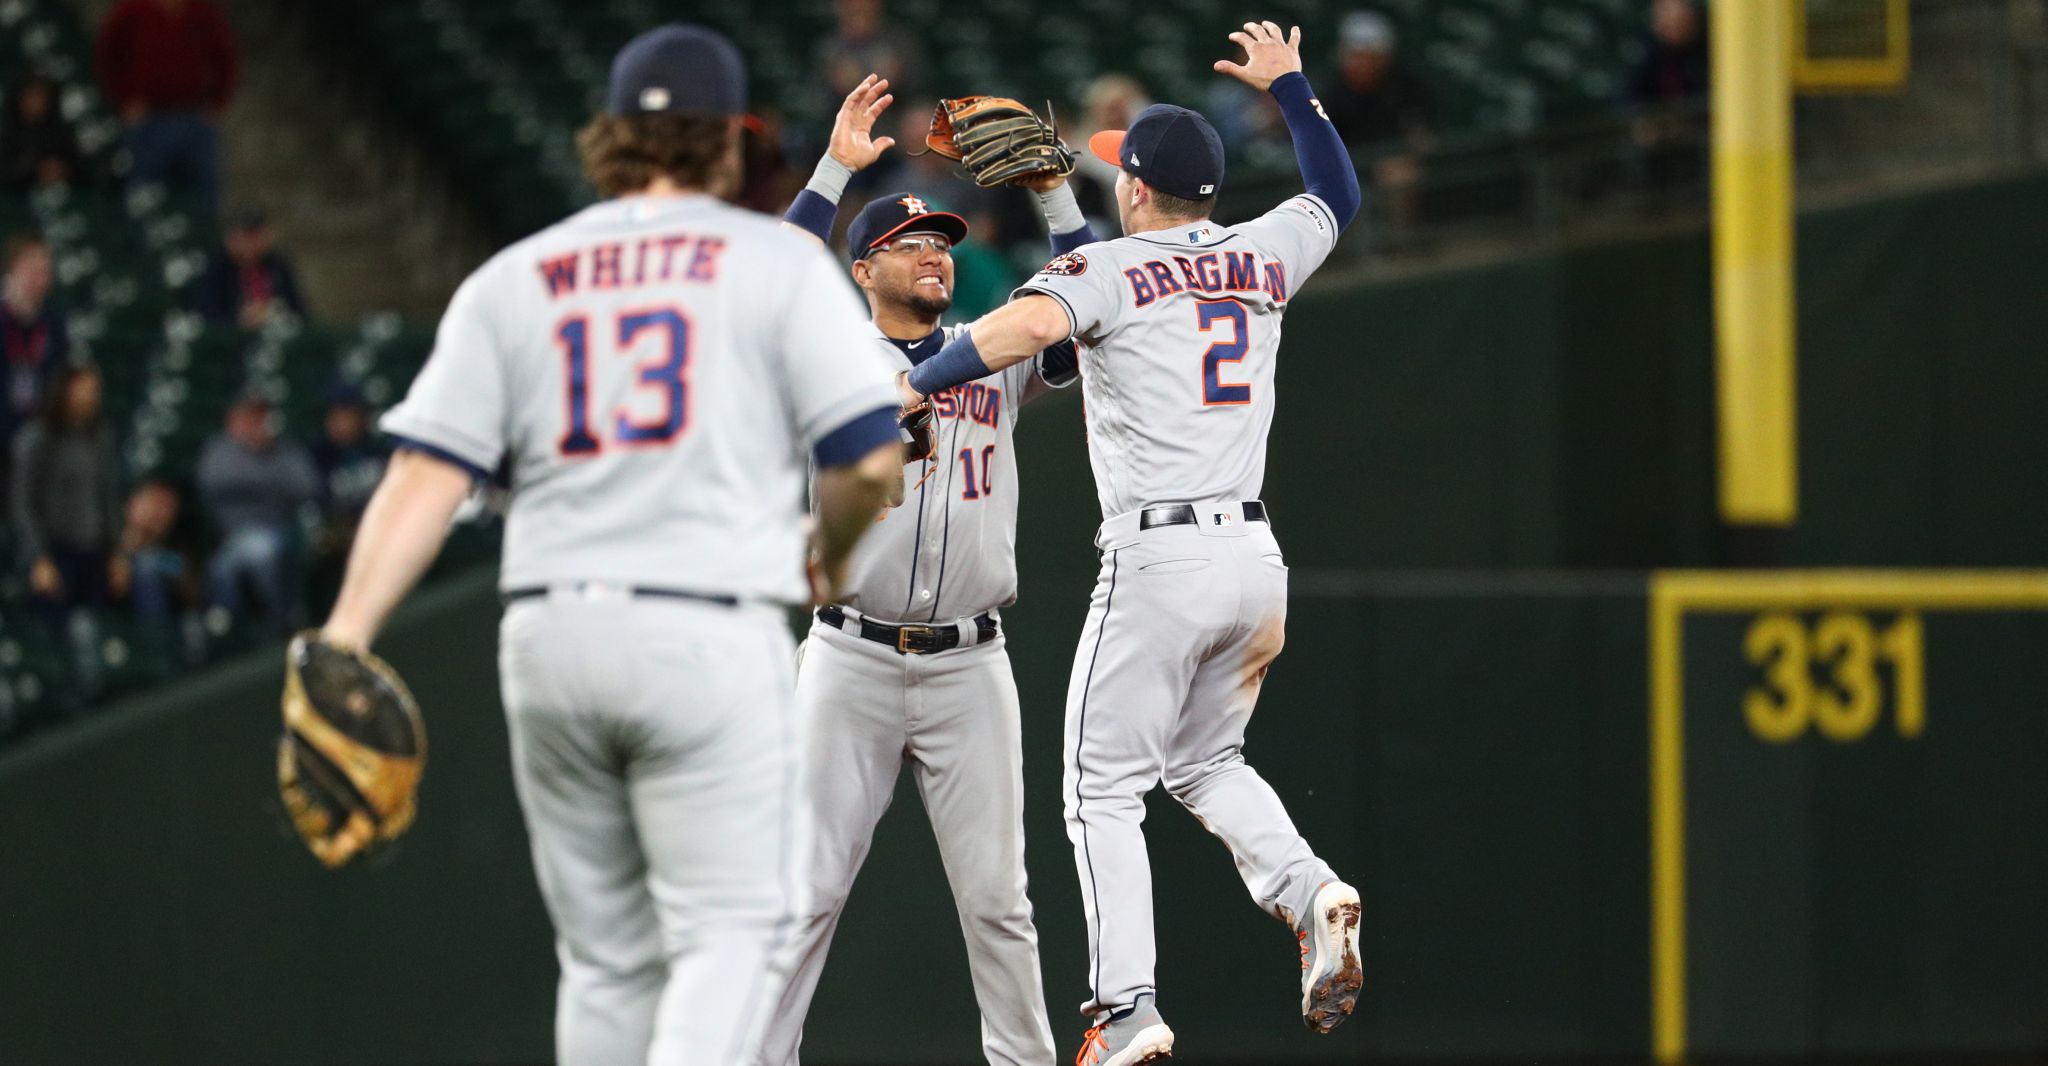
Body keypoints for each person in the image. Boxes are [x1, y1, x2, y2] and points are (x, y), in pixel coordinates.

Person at [316, 25, 903, 1064]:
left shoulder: (518, 275)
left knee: (604, 958)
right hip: (704, 635)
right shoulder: (773, 262)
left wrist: (346, 635)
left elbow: (424, 473)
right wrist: (830, 559)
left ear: (611, 137)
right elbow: (865, 463)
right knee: (737, 929)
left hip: (547, 638)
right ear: (725, 139)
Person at [894, 22, 1366, 1064]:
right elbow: (1338, 191)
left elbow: (1023, 329)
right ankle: (1310, 889)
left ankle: (1122, 1010)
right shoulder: (1266, 248)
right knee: (1202, 760)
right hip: (1253, 559)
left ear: (1141, 190)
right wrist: (1291, 89)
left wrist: (916, 379)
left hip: (1158, 559)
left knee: (1097, 788)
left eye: (1121, 174)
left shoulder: (1107, 268)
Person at [763, 75, 1088, 1066]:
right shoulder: (824, 359)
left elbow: (1090, 298)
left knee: (1000, 904)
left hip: (967, 664)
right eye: (910, 243)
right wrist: (831, 171)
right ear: (864, 268)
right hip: (848, 659)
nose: (935, 255)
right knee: (799, 897)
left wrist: (1052, 191)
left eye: (942, 242)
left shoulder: (988, 348)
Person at [10, 362, 121, 698]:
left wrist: (117, 553)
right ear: (67, 389)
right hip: (55, 552)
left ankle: (97, 694)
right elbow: (22, 504)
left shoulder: (100, 434)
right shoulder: (37, 437)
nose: (93, 395)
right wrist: (37, 558)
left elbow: (108, 495)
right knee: (57, 639)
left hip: (92, 550)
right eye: (86, 386)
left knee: (92, 632)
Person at [94, 0, 238, 205]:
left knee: (204, 196)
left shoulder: (203, 12)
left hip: (194, 115)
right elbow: (107, 55)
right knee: (142, 193)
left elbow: (225, 56)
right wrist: (123, 99)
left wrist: (219, 101)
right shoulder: (132, 10)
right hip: (150, 118)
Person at [195, 393, 318, 633]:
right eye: (250, 415)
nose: (257, 421)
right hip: (231, 537)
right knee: (223, 569)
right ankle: (230, 629)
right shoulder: (220, 451)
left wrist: (258, 475)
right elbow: (212, 482)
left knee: (264, 551)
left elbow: (308, 485)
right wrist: (271, 482)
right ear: (234, 419)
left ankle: (280, 623)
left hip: (281, 530)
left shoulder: (284, 449)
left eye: (261, 415)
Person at [1322, 11, 1435, 244]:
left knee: (1399, 174)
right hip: (1347, 163)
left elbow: (1425, 124)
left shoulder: (1404, 82)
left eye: (1368, 56)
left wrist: (1416, 143)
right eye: (1355, 55)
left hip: (1392, 159)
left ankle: (1400, 242)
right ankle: (1350, 254)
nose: (1361, 62)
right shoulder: (1333, 91)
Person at [306, 383, 388, 618]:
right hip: (338, 544)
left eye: (351, 412)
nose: (345, 420)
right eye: (339, 413)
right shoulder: (318, 456)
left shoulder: (376, 450)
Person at [1, 234, 67, 491]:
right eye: (30, 270)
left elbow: (57, 380)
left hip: (37, 435)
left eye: (44, 272)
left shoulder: (54, 325)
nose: (36, 280)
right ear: (12, 271)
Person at [192, 209, 307, 328]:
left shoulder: (278, 266)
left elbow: (299, 310)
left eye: (255, 237)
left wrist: (274, 311)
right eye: (244, 238)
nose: (249, 245)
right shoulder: (217, 269)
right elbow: (208, 312)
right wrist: (239, 318)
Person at [813, 0, 926, 117]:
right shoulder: (828, 49)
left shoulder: (900, 41)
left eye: (866, 2)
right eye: (850, 2)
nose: (859, 6)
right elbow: (815, 100)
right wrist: (837, 87)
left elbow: (920, 89)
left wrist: (899, 75)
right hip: (840, 120)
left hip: (895, 117)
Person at [1, 73, 85, 192]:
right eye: (31, 96)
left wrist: (61, 169)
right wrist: (34, 170)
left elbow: (81, 167)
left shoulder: (61, 130)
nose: (37, 102)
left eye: (41, 96)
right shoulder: (8, 133)